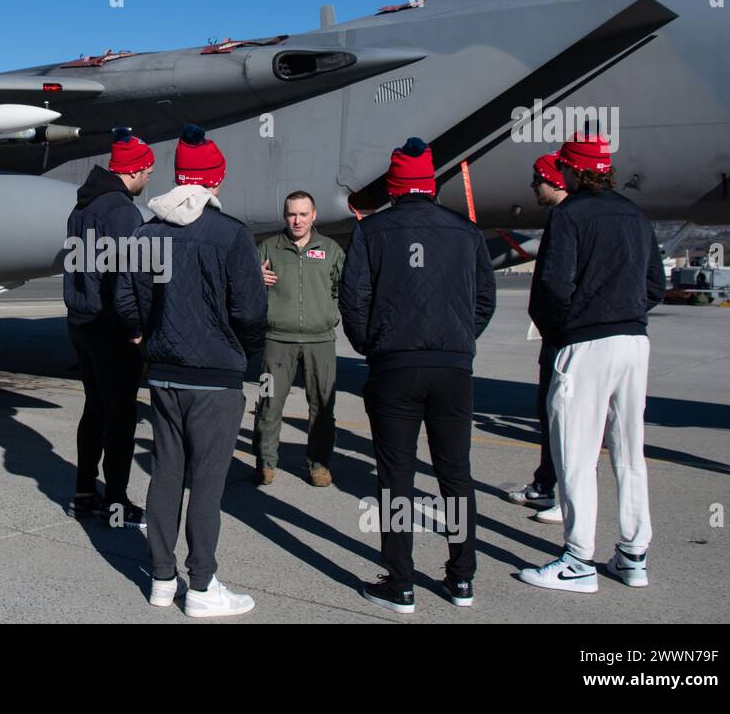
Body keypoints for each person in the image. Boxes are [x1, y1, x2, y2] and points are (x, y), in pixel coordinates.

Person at [116, 125, 268, 617]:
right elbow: (250, 311)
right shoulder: (231, 234)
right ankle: (201, 587)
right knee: (207, 482)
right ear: (215, 181)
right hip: (216, 378)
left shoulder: (147, 230)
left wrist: (145, 335)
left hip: (163, 374)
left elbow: (126, 296)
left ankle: (162, 580)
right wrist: (244, 353)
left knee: (166, 475)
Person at [340, 137, 496, 613]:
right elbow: (484, 300)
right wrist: (458, 340)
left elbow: (353, 299)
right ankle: (462, 577)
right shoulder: (465, 232)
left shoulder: (372, 231)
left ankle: (401, 582)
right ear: (430, 183)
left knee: (396, 475)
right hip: (453, 368)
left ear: (393, 184)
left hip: (395, 366)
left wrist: (374, 344)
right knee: (454, 474)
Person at [520, 135, 666, 593]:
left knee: (577, 455)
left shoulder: (569, 215)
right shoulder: (635, 215)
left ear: (573, 170)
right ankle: (633, 554)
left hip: (587, 343)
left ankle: (578, 559)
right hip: (634, 341)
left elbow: (553, 287)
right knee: (629, 451)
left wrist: (565, 331)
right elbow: (655, 285)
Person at [62, 129, 154, 529]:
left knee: (94, 409)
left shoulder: (81, 207)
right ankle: (116, 502)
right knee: (120, 418)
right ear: (135, 171)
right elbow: (127, 276)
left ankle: (84, 494)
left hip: (80, 321)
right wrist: (135, 327)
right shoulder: (121, 211)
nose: (149, 179)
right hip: (110, 326)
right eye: (148, 171)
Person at [253, 191, 346, 487]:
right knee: (269, 403)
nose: (298, 220)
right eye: (292, 214)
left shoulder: (330, 250)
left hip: (321, 342)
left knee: (323, 406)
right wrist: (256, 279)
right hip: (277, 341)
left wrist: (326, 314)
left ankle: (319, 465)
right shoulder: (268, 248)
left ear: (314, 215)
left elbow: (340, 288)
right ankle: (265, 463)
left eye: (303, 214)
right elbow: (245, 290)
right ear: (284, 215)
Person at [506, 153, 569, 524]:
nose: (532, 186)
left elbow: (556, 285)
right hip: (559, 338)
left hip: (567, 340)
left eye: (537, 179)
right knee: (549, 414)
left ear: (555, 181)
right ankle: (545, 484)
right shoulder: (562, 218)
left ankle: (567, 501)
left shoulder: (569, 219)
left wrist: (559, 324)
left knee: (567, 420)